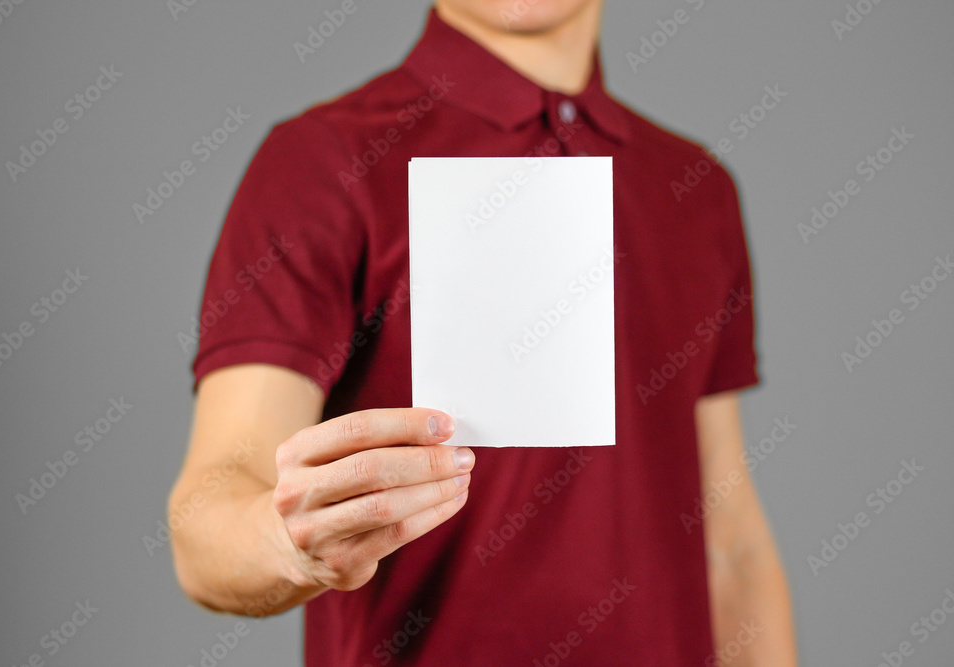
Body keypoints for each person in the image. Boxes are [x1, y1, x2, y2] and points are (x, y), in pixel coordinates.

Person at [168, 1, 797, 664]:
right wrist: (289, 538)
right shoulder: (321, 160)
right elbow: (208, 520)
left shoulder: (697, 189)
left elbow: (726, 534)